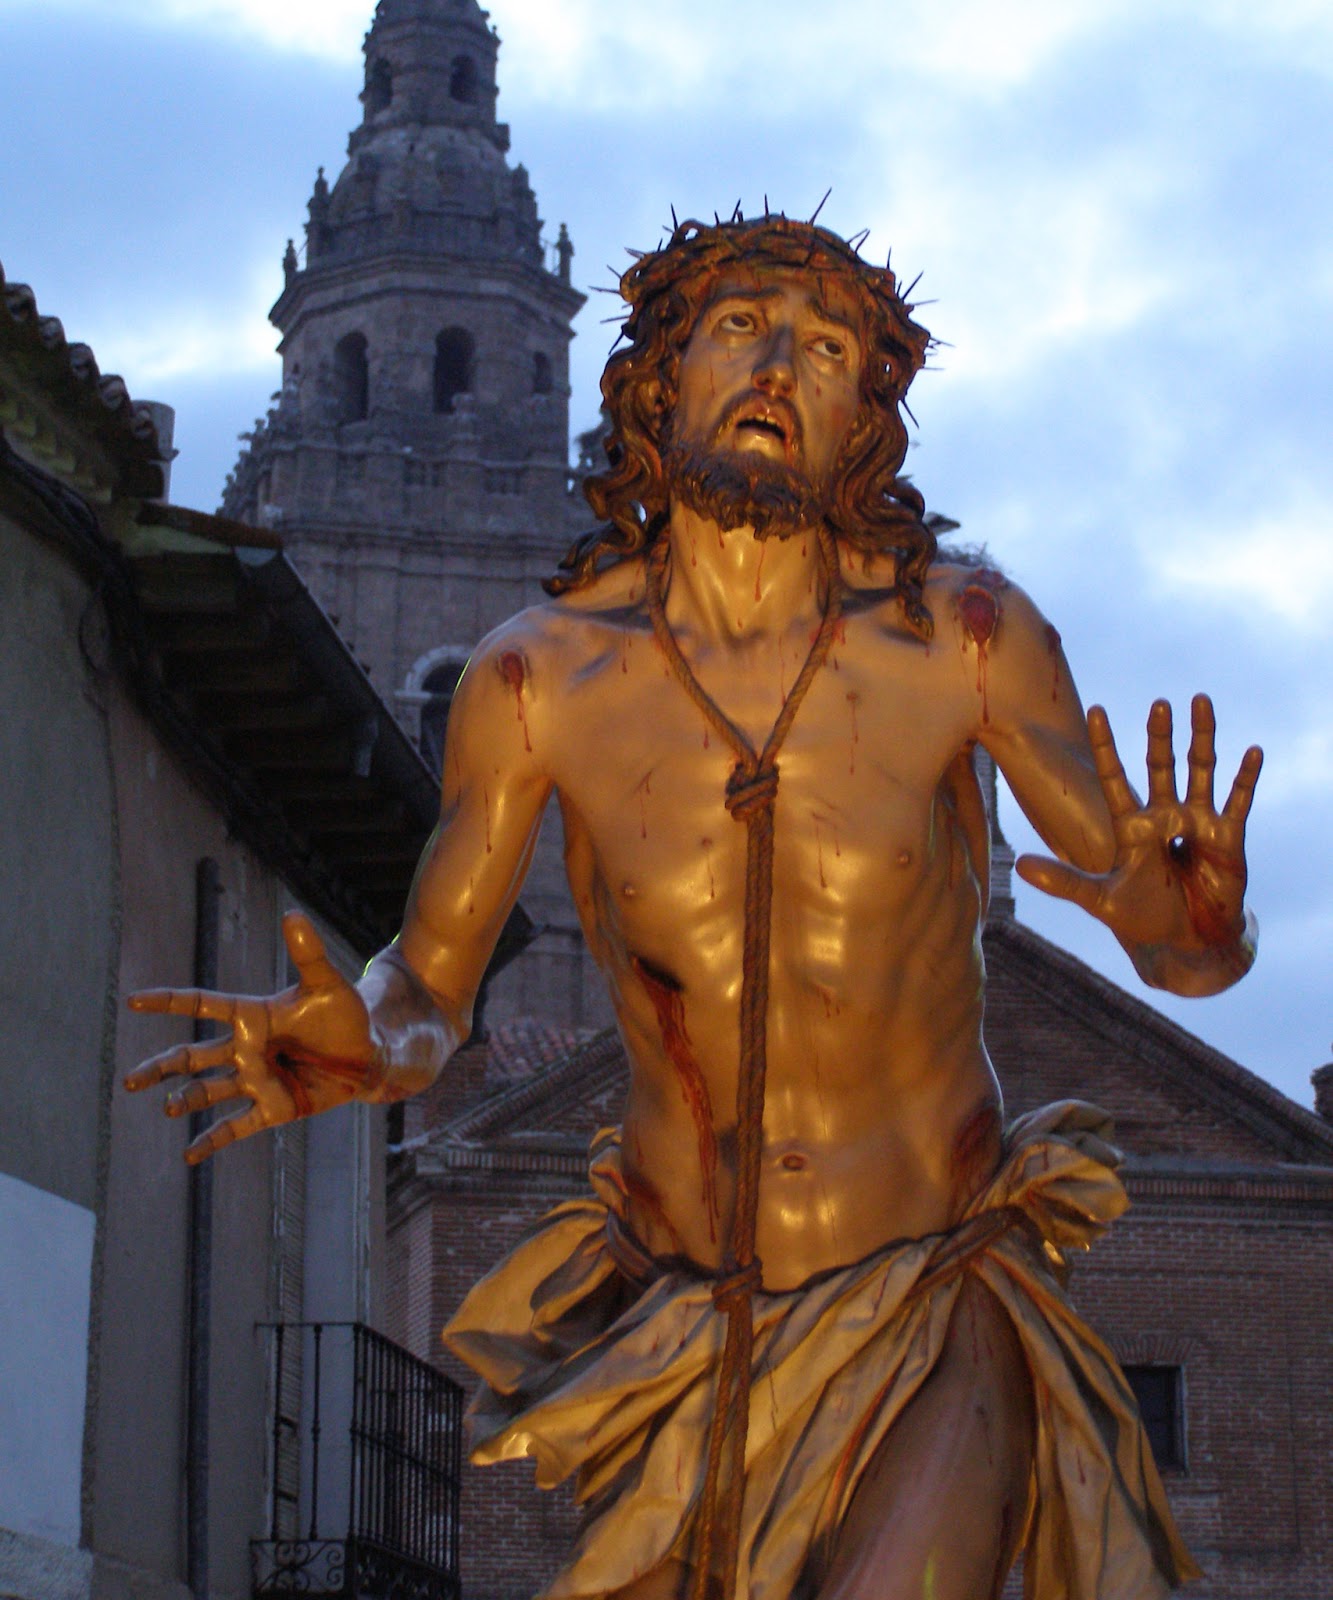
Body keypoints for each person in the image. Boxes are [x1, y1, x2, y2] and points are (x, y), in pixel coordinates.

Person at [128, 213, 1261, 1600]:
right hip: (677, 1316)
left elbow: (1172, 952)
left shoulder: (966, 640)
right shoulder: (532, 679)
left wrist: (1200, 918)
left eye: (830, 347)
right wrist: (359, 1039)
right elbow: (430, 994)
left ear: (870, 417)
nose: (781, 366)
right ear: (653, 376)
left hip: (935, 1278)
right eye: (739, 328)